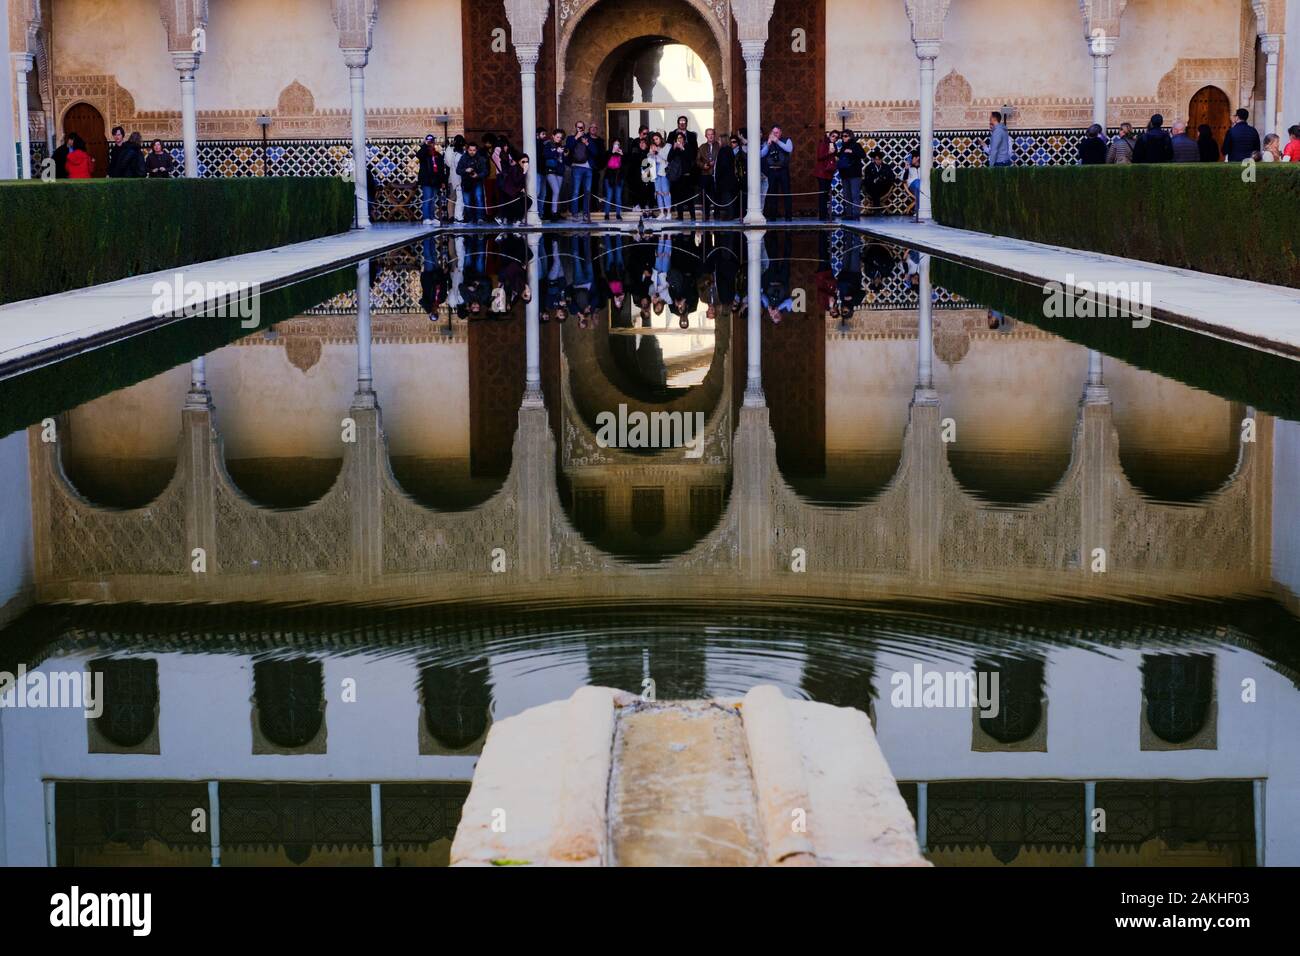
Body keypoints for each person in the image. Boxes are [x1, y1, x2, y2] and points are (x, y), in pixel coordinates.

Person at [760, 124, 793, 220]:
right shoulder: (768, 142)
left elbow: (789, 149)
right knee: (772, 193)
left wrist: (777, 141)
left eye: (777, 133)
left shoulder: (786, 140)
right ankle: (772, 216)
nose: (775, 134)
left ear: (780, 133)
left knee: (786, 192)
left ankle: (788, 216)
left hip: (783, 170)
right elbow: (762, 154)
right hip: (772, 171)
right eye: (773, 133)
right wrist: (768, 144)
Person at [565, 121, 594, 222]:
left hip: (588, 168)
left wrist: (587, 143)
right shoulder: (571, 138)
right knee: (576, 192)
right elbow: (567, 149)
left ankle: (586, 214)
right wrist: (576, 137)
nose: (580, 129)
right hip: (576, 167)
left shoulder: (588, 138)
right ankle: (575, 214)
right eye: (578, 127)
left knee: (587, 192)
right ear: (575, 128)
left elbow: (595, 152)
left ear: (584, 128)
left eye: (582, 127)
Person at [416, 133, 446, 226]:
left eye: (432, 142)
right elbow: (419, 155)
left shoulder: (438, 155)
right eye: (429, 142)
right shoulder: (424, 154)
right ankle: (426, 218)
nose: (431, 144)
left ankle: (432, 217)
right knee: (427, 199)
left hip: (435, 180)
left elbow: (441, 169)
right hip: (426, 180)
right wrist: (425, 145)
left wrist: (442, 181)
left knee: (433, 200)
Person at [835, 131, 865, 220]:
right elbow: (839, 157)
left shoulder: (856, 145)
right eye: (842, 136)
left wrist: (852, 151)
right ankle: (849, 214)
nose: (843, 138)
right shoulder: (843, 147)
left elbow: (863, 155)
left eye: (845, 136)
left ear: (850, 136)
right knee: (847, 195)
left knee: (855, 195)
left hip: (855, 175)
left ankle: (856, 215)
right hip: (845, 175)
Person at [457, 141, 488, 223]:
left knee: (479, 199)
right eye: (470, 150)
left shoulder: (480, 158)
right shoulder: (463, 158)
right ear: (467, 150)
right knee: (467, 201)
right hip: (466, 182)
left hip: (477, 181)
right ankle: (469, 219)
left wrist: (477, 175)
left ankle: (480, 218)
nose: (472, 152)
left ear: (476, 150)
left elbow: (485, 171)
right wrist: (466, 170)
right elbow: (458, 170)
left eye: (474, 150)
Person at [696, 128, 722, 219]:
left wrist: (715, 163)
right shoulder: (702, 147)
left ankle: (717, 214)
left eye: (712, 134)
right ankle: (706, 214)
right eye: (709, 134)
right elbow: (697, 160)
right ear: (706, 136)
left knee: (716, 196)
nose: (710, 136)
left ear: (714, 135)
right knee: (705, 196)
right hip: (705, 174)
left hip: (716, 174)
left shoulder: (718, 146)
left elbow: (722, 158)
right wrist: (704, 165)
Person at [862, 148, 896, 216]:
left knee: (878, 185)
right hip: (871, 188)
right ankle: (877, 210)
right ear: (874, 159)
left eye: (879, 159)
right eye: (876, 159)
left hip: (883, 188)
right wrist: (874, 181)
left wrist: (883, 179)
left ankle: (876, 210)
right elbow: (867, 180)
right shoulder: (869, 167)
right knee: (875, 187)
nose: (878, 161)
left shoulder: (886, 167)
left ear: (882, 159)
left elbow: (892, 177)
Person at [668, 131, 693, 220]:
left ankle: (692, 216)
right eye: (678, 138)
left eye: (681, 138)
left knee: (689, 196)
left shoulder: (687, 146)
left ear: (684, 139)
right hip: (677, 176)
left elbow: (690, 158)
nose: (680, 140)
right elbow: (669, 158)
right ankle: (680, 216)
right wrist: (674, 149)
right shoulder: (674, 148)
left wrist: (683, 148)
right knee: (678, 197)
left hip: (686, 175)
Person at [714, 134, 740, 219]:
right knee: (729, 197)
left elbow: (723, 165)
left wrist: (718, 177)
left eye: (719, 140)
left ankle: (730, 215)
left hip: (725, 179)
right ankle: (730, 214)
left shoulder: (723, 150)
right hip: (729, 178)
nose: (718, 142)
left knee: (727, 197)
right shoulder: (729, 150)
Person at [544, 129, 566, 220]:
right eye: (557, 137)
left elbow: (563, 160)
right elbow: (546, 155)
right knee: (556, 191)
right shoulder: (548, 144)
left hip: (559, 172)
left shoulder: (561, 146)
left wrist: (564, 154)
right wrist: (557, 151)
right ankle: (554, 213)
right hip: (551, 171)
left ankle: (556, 212)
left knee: (557, 193)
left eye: (560, 137)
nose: (559, 139)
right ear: (553, 136)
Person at [815, 130, 838, 220]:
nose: (834, 138)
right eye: (833, 136)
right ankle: (822, 215)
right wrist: (828, 152)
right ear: (829, 136)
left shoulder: (834, 145)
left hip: (829, 172)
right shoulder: (823, 144)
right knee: (822, 194)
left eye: (836, 137)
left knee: (826, 194)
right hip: (821, 172)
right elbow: (819, 157)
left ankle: (826, 213)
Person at [446, 134, 466, 223]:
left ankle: (459, 216)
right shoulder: (452, 152)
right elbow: (450, 165)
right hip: (455, 179)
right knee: (455, 198)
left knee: (460, 198)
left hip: (461, 178)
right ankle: (454, 217)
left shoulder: (462, 152)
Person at [603, 139, 625, 220]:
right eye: (615, 144)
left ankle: (618, 214)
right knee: (609, 196)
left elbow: (625, 165)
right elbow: (604, 161)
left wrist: (622, 155)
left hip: (619, 177)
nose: (616, 146)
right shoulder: (608, 153)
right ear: (612, 145)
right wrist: (612, 152)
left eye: (618, 144)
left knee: (618, 197)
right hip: (609, 177)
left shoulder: (622, 154)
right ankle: (606, 214)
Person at [905, 150, 922, 219]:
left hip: (923, 187)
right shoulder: (909, 167)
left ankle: (918, 210)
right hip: (912, 186)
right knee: (917, 182)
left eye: (912, 158)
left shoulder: (923, 167)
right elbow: (903, 179)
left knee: (920, 184)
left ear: (917, 158)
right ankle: (918, 210)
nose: (910, 159)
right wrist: (906, 169)